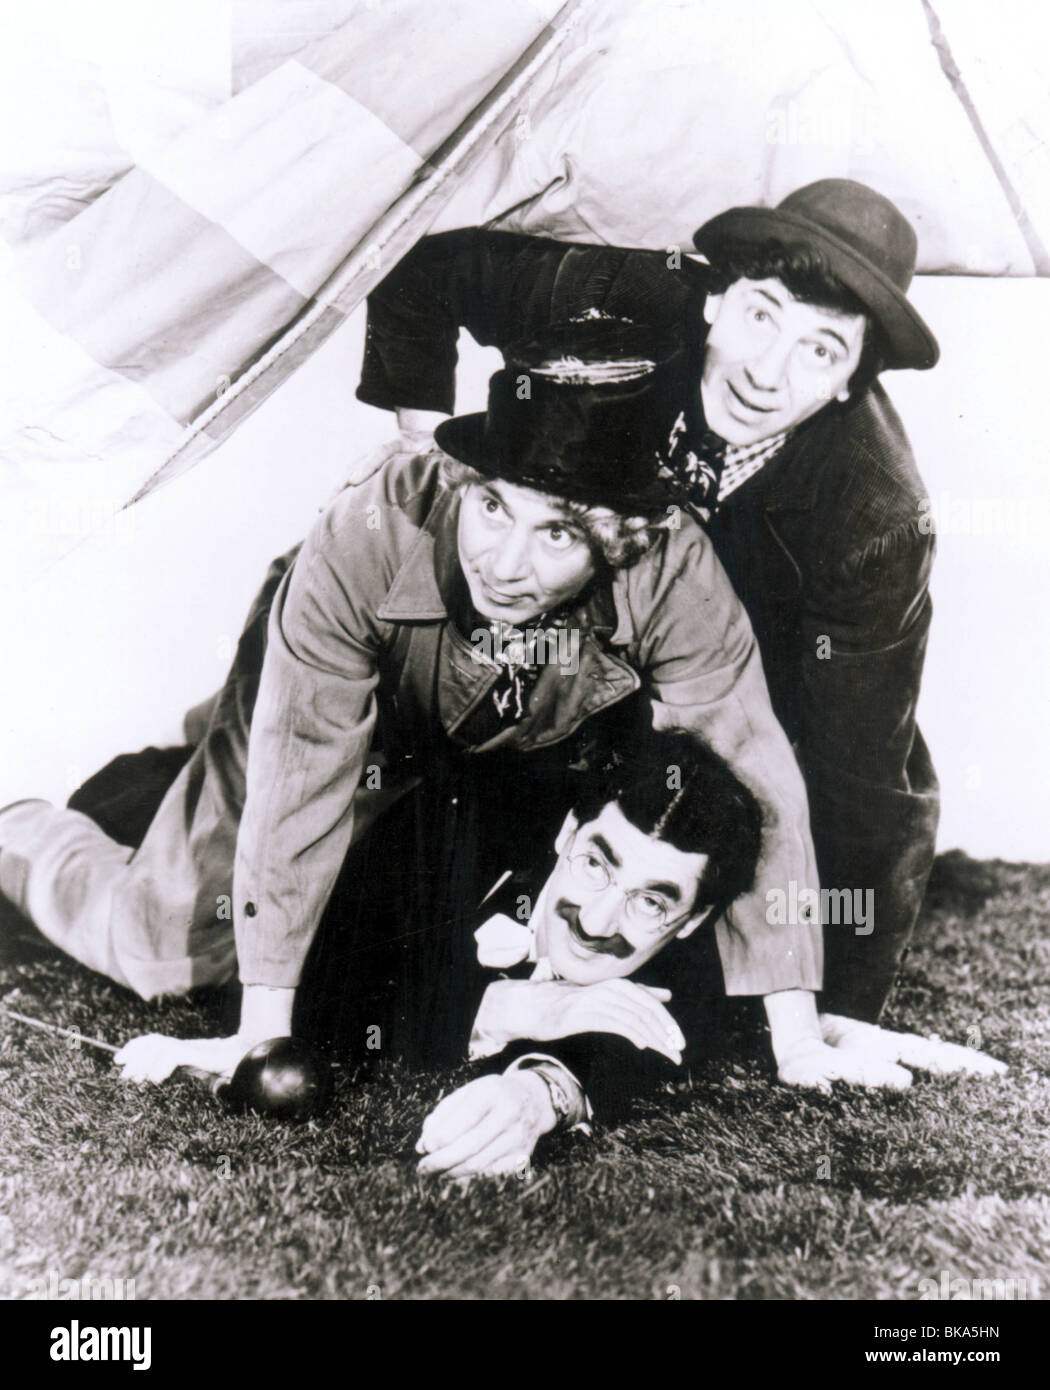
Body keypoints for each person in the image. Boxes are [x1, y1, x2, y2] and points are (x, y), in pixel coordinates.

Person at [0, 323, 882, 1092]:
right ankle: (23, 824)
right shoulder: (366, 529)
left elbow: (755, 782)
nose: (504, 561)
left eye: (558, 534)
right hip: (330, 687)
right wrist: (263, 1031)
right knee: (170, 951)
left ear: (616, 546)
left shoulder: (674, 572)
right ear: (467, 481)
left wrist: (798, 1033)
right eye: (494, 508)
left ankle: (165, 782)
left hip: (493, 727)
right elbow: (306, 769)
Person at [355, 178, 952, 1044]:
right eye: (760, 316)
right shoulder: (615, 303)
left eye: (821, 351)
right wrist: (421, 458)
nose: (767, 371)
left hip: (707, 723)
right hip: (523, 667)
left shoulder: (879, 520)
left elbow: (863, 770)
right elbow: (422, 266)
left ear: (854, 380)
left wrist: (837, 1005)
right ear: (713, 295)